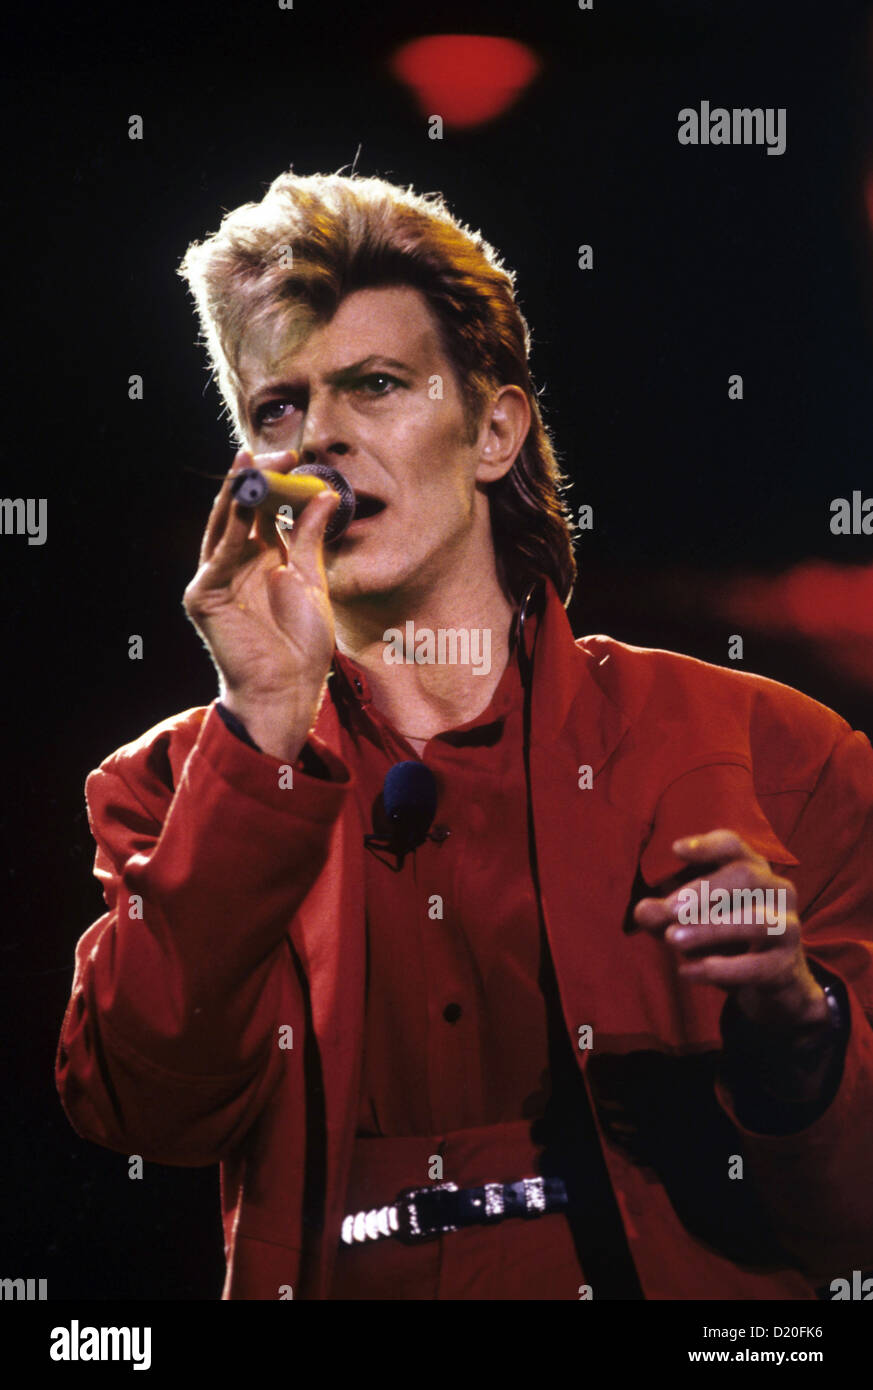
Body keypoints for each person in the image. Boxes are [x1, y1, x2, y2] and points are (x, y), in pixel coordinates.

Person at [56, 170, 873, 1300]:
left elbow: (858, 1224)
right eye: (278, 410)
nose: (324, 438)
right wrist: (261, 734)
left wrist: (797, 1024)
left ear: (494, 430)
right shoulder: (170, 787)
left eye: (375, 385)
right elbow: (148, 1112)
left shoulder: (779, 751)